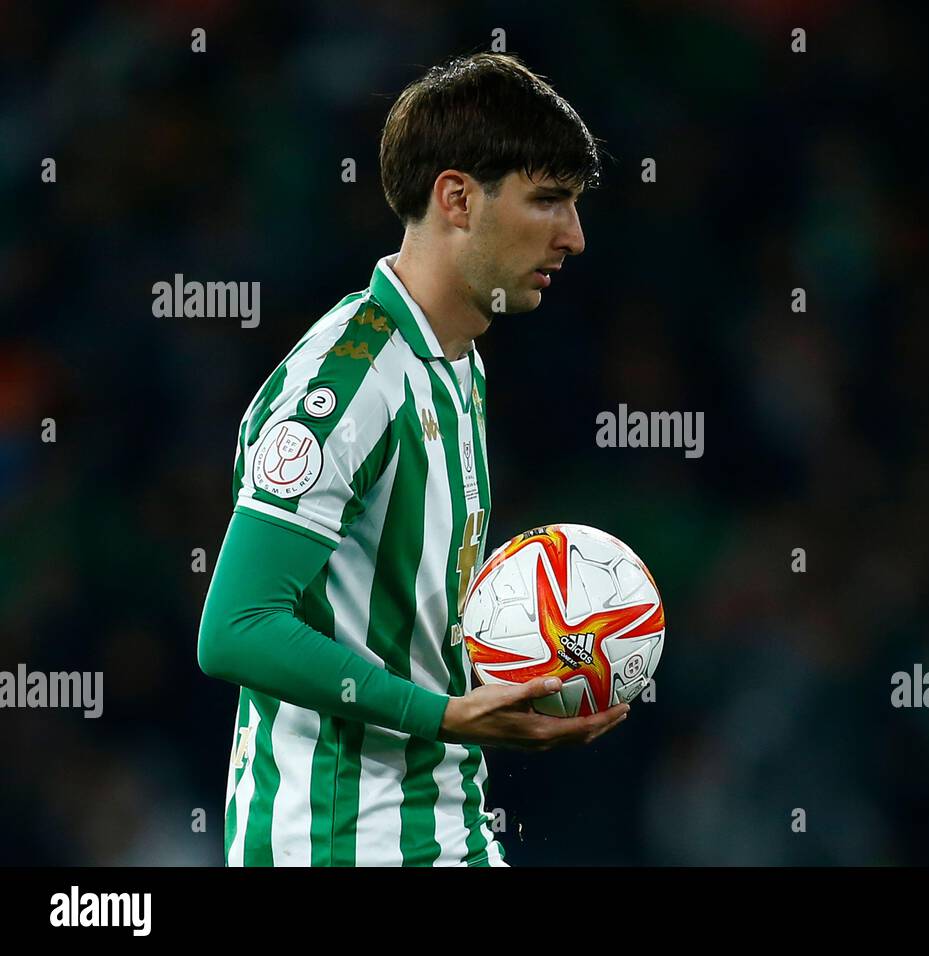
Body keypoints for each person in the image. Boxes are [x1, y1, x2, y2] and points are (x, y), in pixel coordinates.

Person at [197, 51, 628, 867]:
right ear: (457, 198)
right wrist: (443, 714)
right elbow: (235, 628)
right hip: (336, 845)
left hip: (446, 828)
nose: (574, 236)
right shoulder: (349, 385)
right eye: (548, 200)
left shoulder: (457, 358)